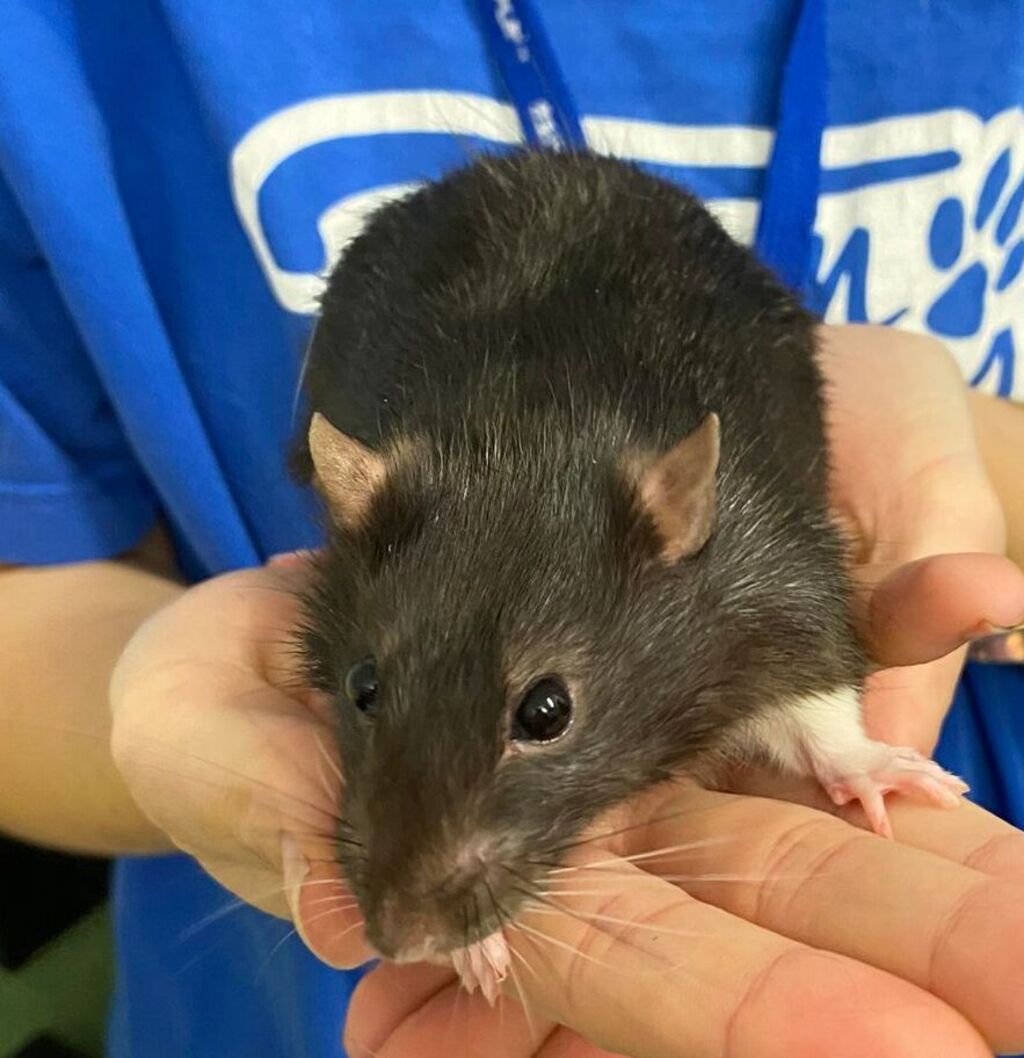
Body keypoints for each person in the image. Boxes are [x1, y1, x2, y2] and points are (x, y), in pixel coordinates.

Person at [1, 2, 1023, 1057]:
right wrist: (148, 729)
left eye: (541, 710)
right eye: (366, 690)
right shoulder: (62, 43)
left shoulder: (711, 559)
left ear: (678, 527)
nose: (398, 908)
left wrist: (842, 741)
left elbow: (794, 631)